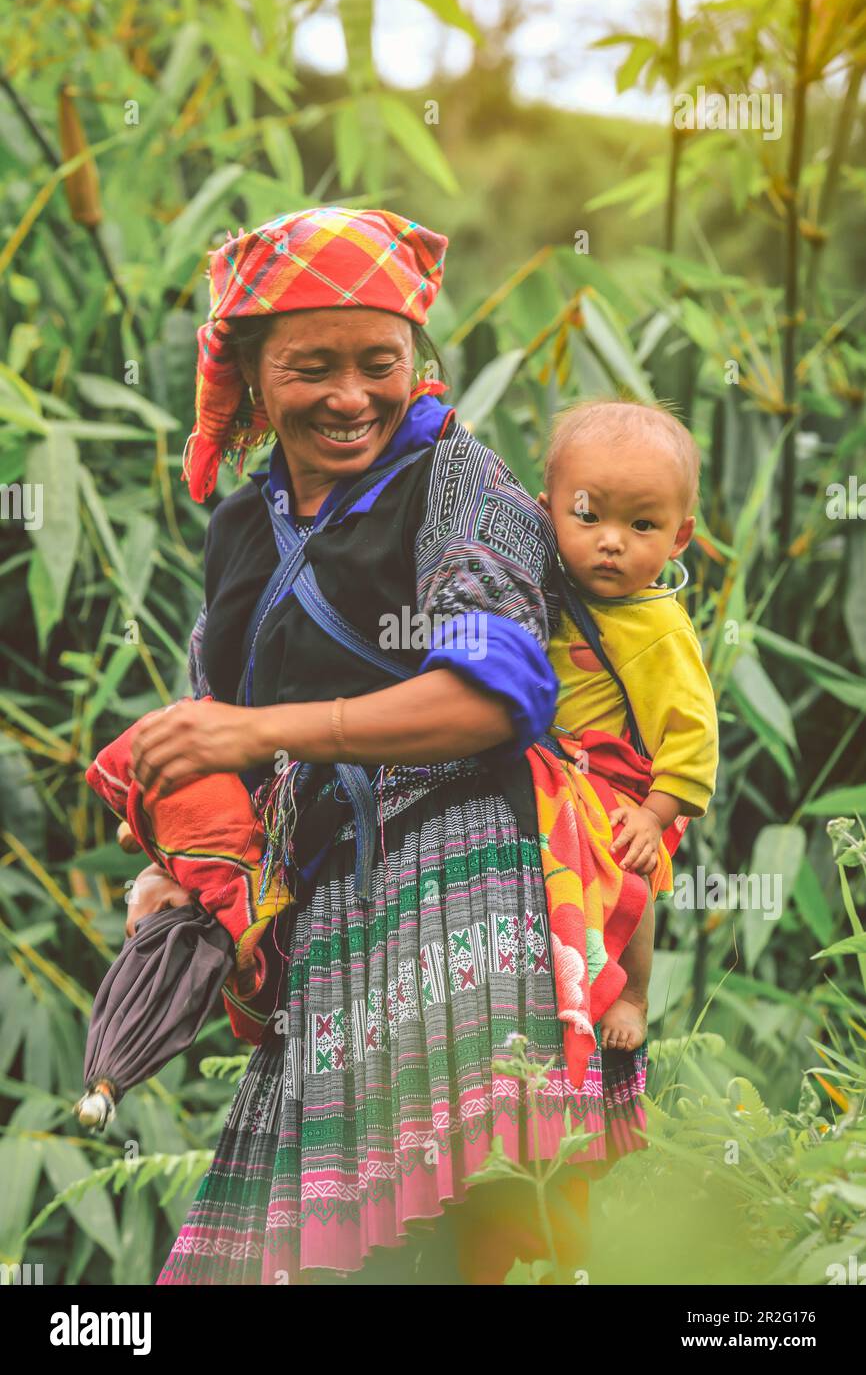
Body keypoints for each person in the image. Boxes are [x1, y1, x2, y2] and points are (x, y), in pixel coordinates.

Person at [122, 206, 650, 1286]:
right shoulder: (238, 529)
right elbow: (223, 742)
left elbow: (491, 697)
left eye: (380, 362)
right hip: (332, 924)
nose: (351, 395)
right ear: (255, 383)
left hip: (470, 894)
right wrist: (177, 873)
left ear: (418, 359)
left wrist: (265, 729)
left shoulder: (462, 486)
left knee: (486, 1245)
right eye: (312, 367)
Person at [536, 398, 719, 1054]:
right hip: (548, 766)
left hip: (619, 785)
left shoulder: (660, 627)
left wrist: (654, 813)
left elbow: (693, 735)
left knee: (628, 873)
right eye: (587, 515)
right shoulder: (534, 584)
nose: (611, 540)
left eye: (642, 524)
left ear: (679, 538)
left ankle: (634, 993)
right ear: (546, 509)